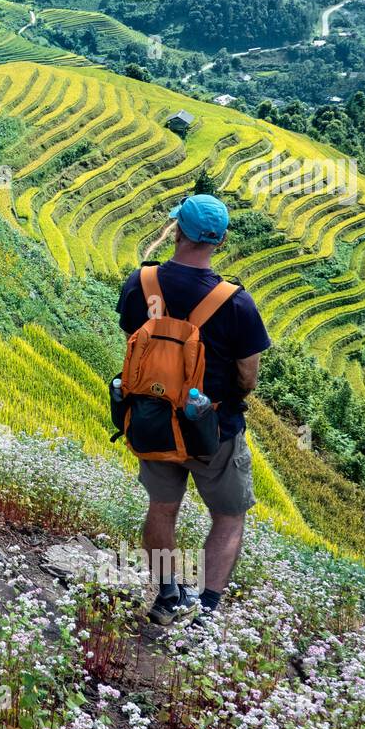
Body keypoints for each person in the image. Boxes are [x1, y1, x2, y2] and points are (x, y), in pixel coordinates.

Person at [116, 194, 271, 625]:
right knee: (228, 516)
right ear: (219, 242)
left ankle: (167, 595)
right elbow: (248, 377)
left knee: (162, 508)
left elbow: (135, 341)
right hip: (213, 430)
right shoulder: (236, 302)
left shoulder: (141, 283)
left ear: (177, 231)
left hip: (151, 421)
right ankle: (204, 612)